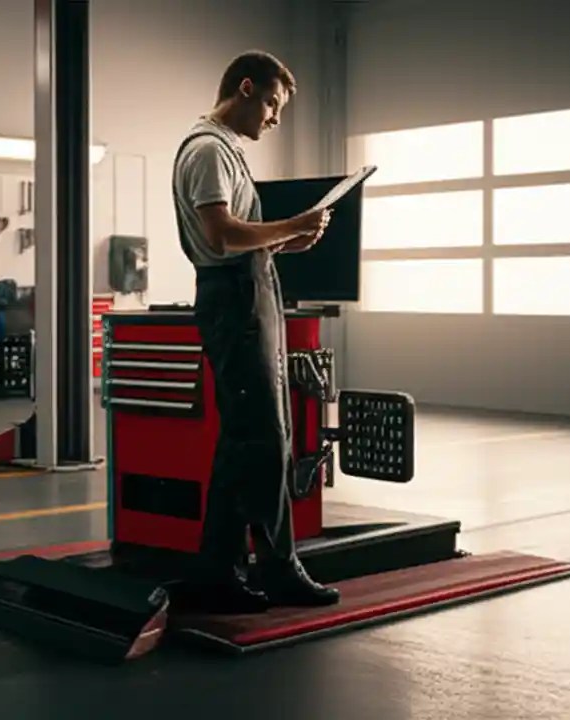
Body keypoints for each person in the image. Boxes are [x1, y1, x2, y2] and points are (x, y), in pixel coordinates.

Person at [171, 50, 340, 610]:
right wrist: (290, 224)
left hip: (251, 289)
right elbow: (220, 236)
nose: (274, 117)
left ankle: (216, 573)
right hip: (233, 297)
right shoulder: (207, 151)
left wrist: (285, 241)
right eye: (271, 103)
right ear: (245, 89)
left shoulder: (229, 153)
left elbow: (240, 234)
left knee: (246, 441)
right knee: (264, 442)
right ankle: (278, 570)